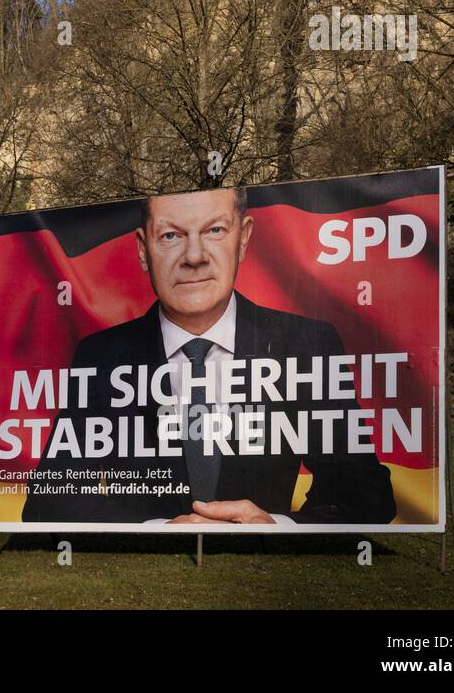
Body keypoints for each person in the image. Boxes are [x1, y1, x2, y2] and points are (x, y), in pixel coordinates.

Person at [21, 186, 396, 525]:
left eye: (215, 230)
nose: (195, 256)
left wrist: (278, 527)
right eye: (170, 235)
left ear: (243, 239)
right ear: (142, 249)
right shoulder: (101, 357)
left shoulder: (305, 343)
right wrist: (159, 530)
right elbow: (48, 502)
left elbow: (368, 496)